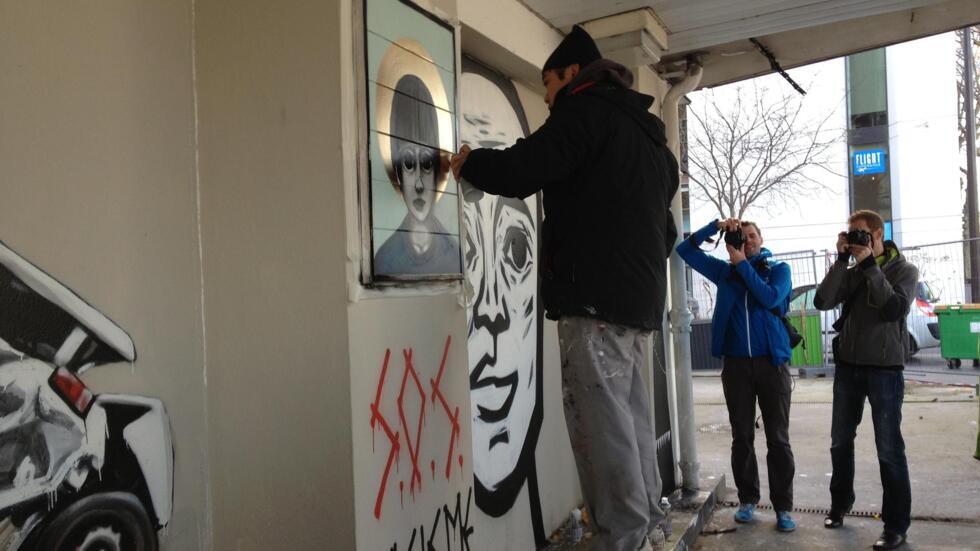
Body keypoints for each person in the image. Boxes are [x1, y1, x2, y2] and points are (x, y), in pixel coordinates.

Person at [451, 25, 678, 551]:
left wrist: (471, 162)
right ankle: (644, 526)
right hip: (636, 303)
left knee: (602, 429)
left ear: (572, 74)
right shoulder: (647, 137)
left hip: (594, 299)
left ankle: (622, 538)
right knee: (630, 420)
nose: (547, 96)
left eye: (548, 82)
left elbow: (526, 166)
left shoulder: (583, 112)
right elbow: (663, 230)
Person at [676, 219, 797, 533]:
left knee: (778, 439)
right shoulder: (724, 272)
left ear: (761, 239)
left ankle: (783, 507)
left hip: (772, 364)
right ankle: (747, 500)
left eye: (753, 235)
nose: (749, 240)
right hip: (737, 366)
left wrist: (743, 263)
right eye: (743, 236)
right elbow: (685, 251)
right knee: (742, 437)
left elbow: (770, 297)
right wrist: (714, 228)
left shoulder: (778, 269)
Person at [814, 210, 917, 550]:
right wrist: (842, 260)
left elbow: (893, 310)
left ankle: (895, 526)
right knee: (839, 442)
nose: (855, 238)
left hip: (885, 370)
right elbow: (822, 300)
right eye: (851, 233)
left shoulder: (904, 270)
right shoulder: (853, 268)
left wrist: (870, 265)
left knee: (889, 449)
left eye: (860, 234)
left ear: (877, 235)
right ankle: (840, 504)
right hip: (848, 367)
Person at [374, 74, 459, 276]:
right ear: (397, 172)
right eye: (409, 163)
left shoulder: (454, 256)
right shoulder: (385, 261)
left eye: (427, 163)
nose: (419, 185)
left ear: (438, 170)